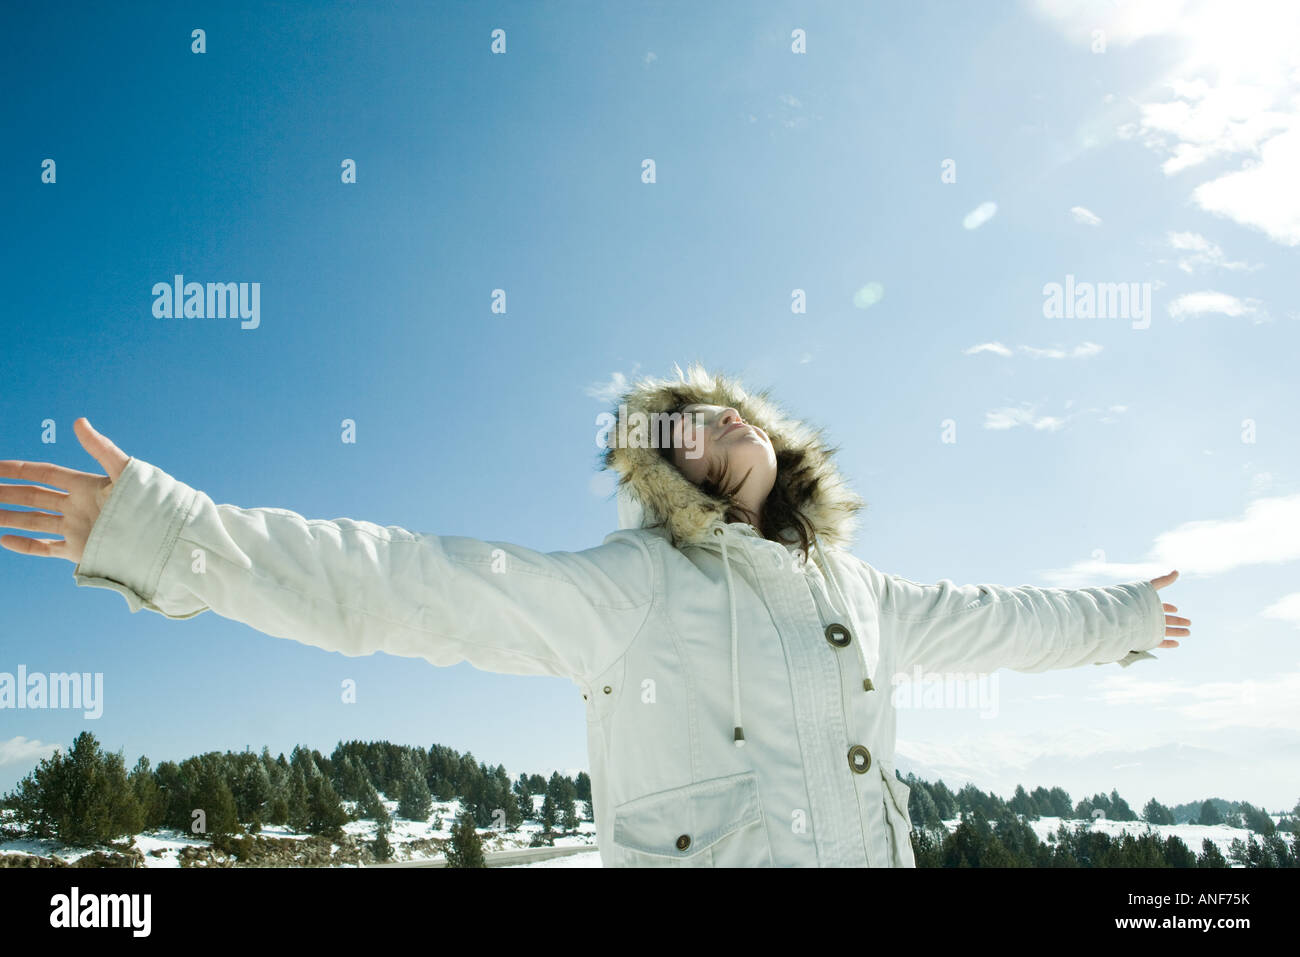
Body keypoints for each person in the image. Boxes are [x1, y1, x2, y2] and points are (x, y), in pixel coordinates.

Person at [0, 361, 1189, 867]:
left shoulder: (864, 595)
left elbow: (1006, 617)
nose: (711, 427)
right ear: (663, 480)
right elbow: (405, 582)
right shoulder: (634, 592)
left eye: (724, 411)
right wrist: (175, 535)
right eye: (678, 433)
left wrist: (1125, 615)